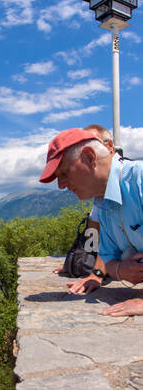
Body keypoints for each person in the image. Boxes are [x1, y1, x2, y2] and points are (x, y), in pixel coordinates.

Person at [42, 127, 143, 316]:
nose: (61, 185)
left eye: (64, 172)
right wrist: (121, 270)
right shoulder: (103, 204)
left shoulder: (139, 180)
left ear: (89, 157)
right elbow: (108, 259)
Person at [61, 125, 115, 294]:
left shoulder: (133, 181)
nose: (62, 185)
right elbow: (95, 231)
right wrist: (80, 259)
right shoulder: (101, 192)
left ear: (109, 147)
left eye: (94, 142)